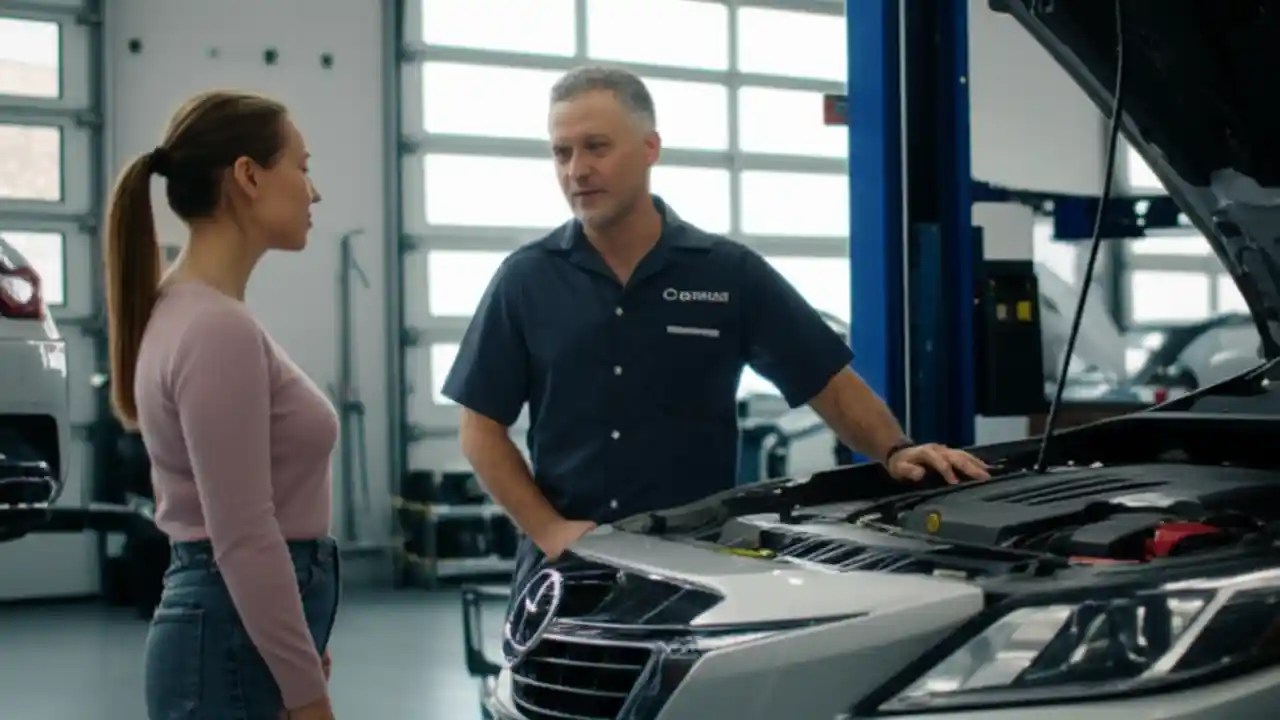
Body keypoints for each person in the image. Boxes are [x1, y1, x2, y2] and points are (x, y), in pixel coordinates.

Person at [441, 65, 991, 601]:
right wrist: (550, 530)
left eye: (596, 147)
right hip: (568, 574)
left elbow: (827, 382)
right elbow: (480, 429)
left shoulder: (726, 274)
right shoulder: (526, 279)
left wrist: (895, 449)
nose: (576, 170)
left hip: (695, 575)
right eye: (562, 152)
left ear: (650, 147)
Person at [103, 89, 340, 720]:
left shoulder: (191, 312)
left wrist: (290, 648)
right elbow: (242, 535)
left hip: (237, 633)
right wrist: (307, 695)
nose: (313, 192)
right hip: (230, 636)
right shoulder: (215, 328)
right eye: (303, 165)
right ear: (248, 175)